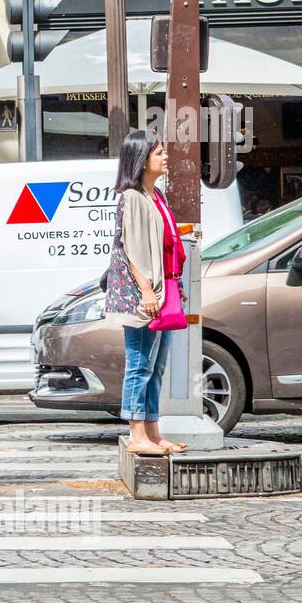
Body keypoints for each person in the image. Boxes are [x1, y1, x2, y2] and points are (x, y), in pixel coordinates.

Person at [105, 131, 187, 456]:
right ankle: (137, 433)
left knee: (156, 366)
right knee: (139, 364)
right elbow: (130, 250)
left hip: (164, 290)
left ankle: (153, 431)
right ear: (140, 160)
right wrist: (145, 291)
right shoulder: (132, 197)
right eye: (158, 153)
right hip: (146, 296)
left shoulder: (157, 195)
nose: (165, 157)